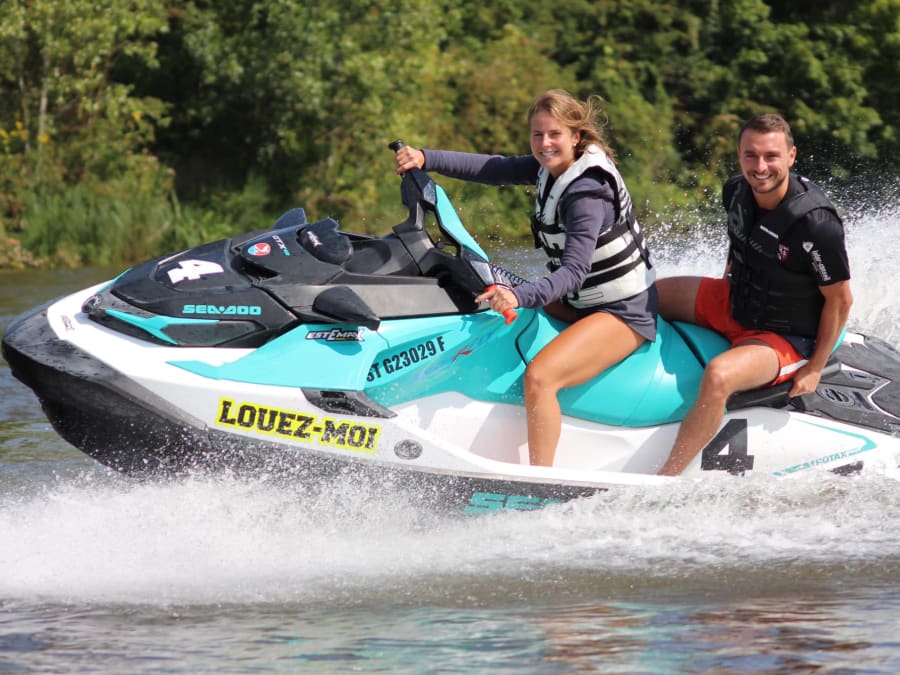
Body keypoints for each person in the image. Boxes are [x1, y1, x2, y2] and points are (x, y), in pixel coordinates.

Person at [394, 89, 657, 467]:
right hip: (582, 301)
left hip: (622, 312)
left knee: (541, 377)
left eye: (555, 135)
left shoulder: (586, 193)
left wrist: (519, 295)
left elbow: (573, 272)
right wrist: (426, 158)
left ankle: (540, 481)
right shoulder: (550, 169)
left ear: (576, 137)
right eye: (538, 135)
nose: (545, 143)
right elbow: (492, 168)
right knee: (482, 304)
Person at [656, 113, 853, 475]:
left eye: (771, 156)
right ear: (739, 155)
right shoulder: (735, 190)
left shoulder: (817, 225)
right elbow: (742, 241)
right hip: (736, 303)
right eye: (751, 155)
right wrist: (726, 279)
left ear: (791, 156)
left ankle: (665, 479)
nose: (760, 167)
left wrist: (814, 368)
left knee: (718, 376)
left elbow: (840, 301)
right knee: (645, 296)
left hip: (786, 336)